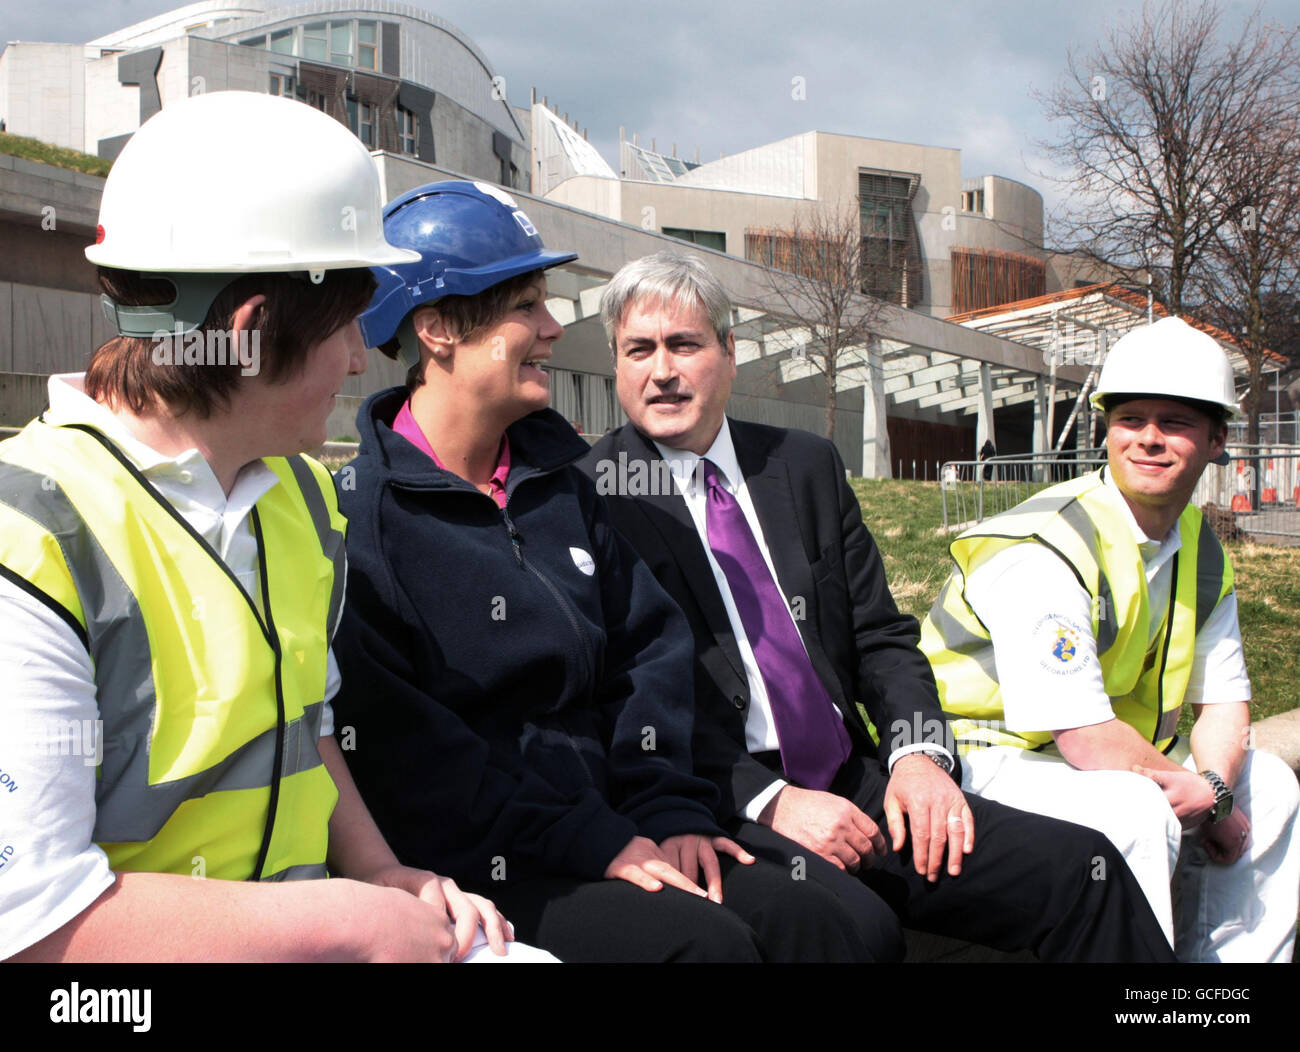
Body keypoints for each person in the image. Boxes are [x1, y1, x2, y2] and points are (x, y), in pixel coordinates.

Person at [0, 91, 526, 963]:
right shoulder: (31, 530)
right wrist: (348, 923)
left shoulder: (303, 498)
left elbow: (305, 725)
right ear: (249, 332)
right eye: (349, 324)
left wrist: (380, 873)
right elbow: (33, 919)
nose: (363, 358)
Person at [331, 182, 904, 962]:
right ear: (436, 330)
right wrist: (601, 842)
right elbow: (421, 761)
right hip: (500, 866)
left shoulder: (564, 485)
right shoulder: (362, 523)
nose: (552, 326)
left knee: (846, 925)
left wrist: (669, 811)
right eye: (526, 306)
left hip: (624, 825)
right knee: (708, 950)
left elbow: (648, 657)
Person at [580, 250, 1176, 962]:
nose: (662, 370)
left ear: (731, 353)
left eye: (684, 344)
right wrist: (768, 801)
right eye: (637, 350)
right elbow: (623, 696)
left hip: (857, 778)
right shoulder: (591, 498)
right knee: (858, 932)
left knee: (1084, 871)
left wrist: (919, 756)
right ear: (615, 365)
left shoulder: (804, 466)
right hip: (723, 801)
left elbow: (883, 637)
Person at [921, 315, 1300, 962]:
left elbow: (1225, 700)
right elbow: (1086, 737)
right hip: (973, 760)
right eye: (1131, 420)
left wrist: (1215, 784)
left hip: (1079, 755)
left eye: (1174, 422)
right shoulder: (1048, 543)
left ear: (1216, 440)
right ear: (1107, 429)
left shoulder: (1202, 552)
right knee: (1133, 809)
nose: (1149, 440)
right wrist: (1209, 803)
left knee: (1272, 788)